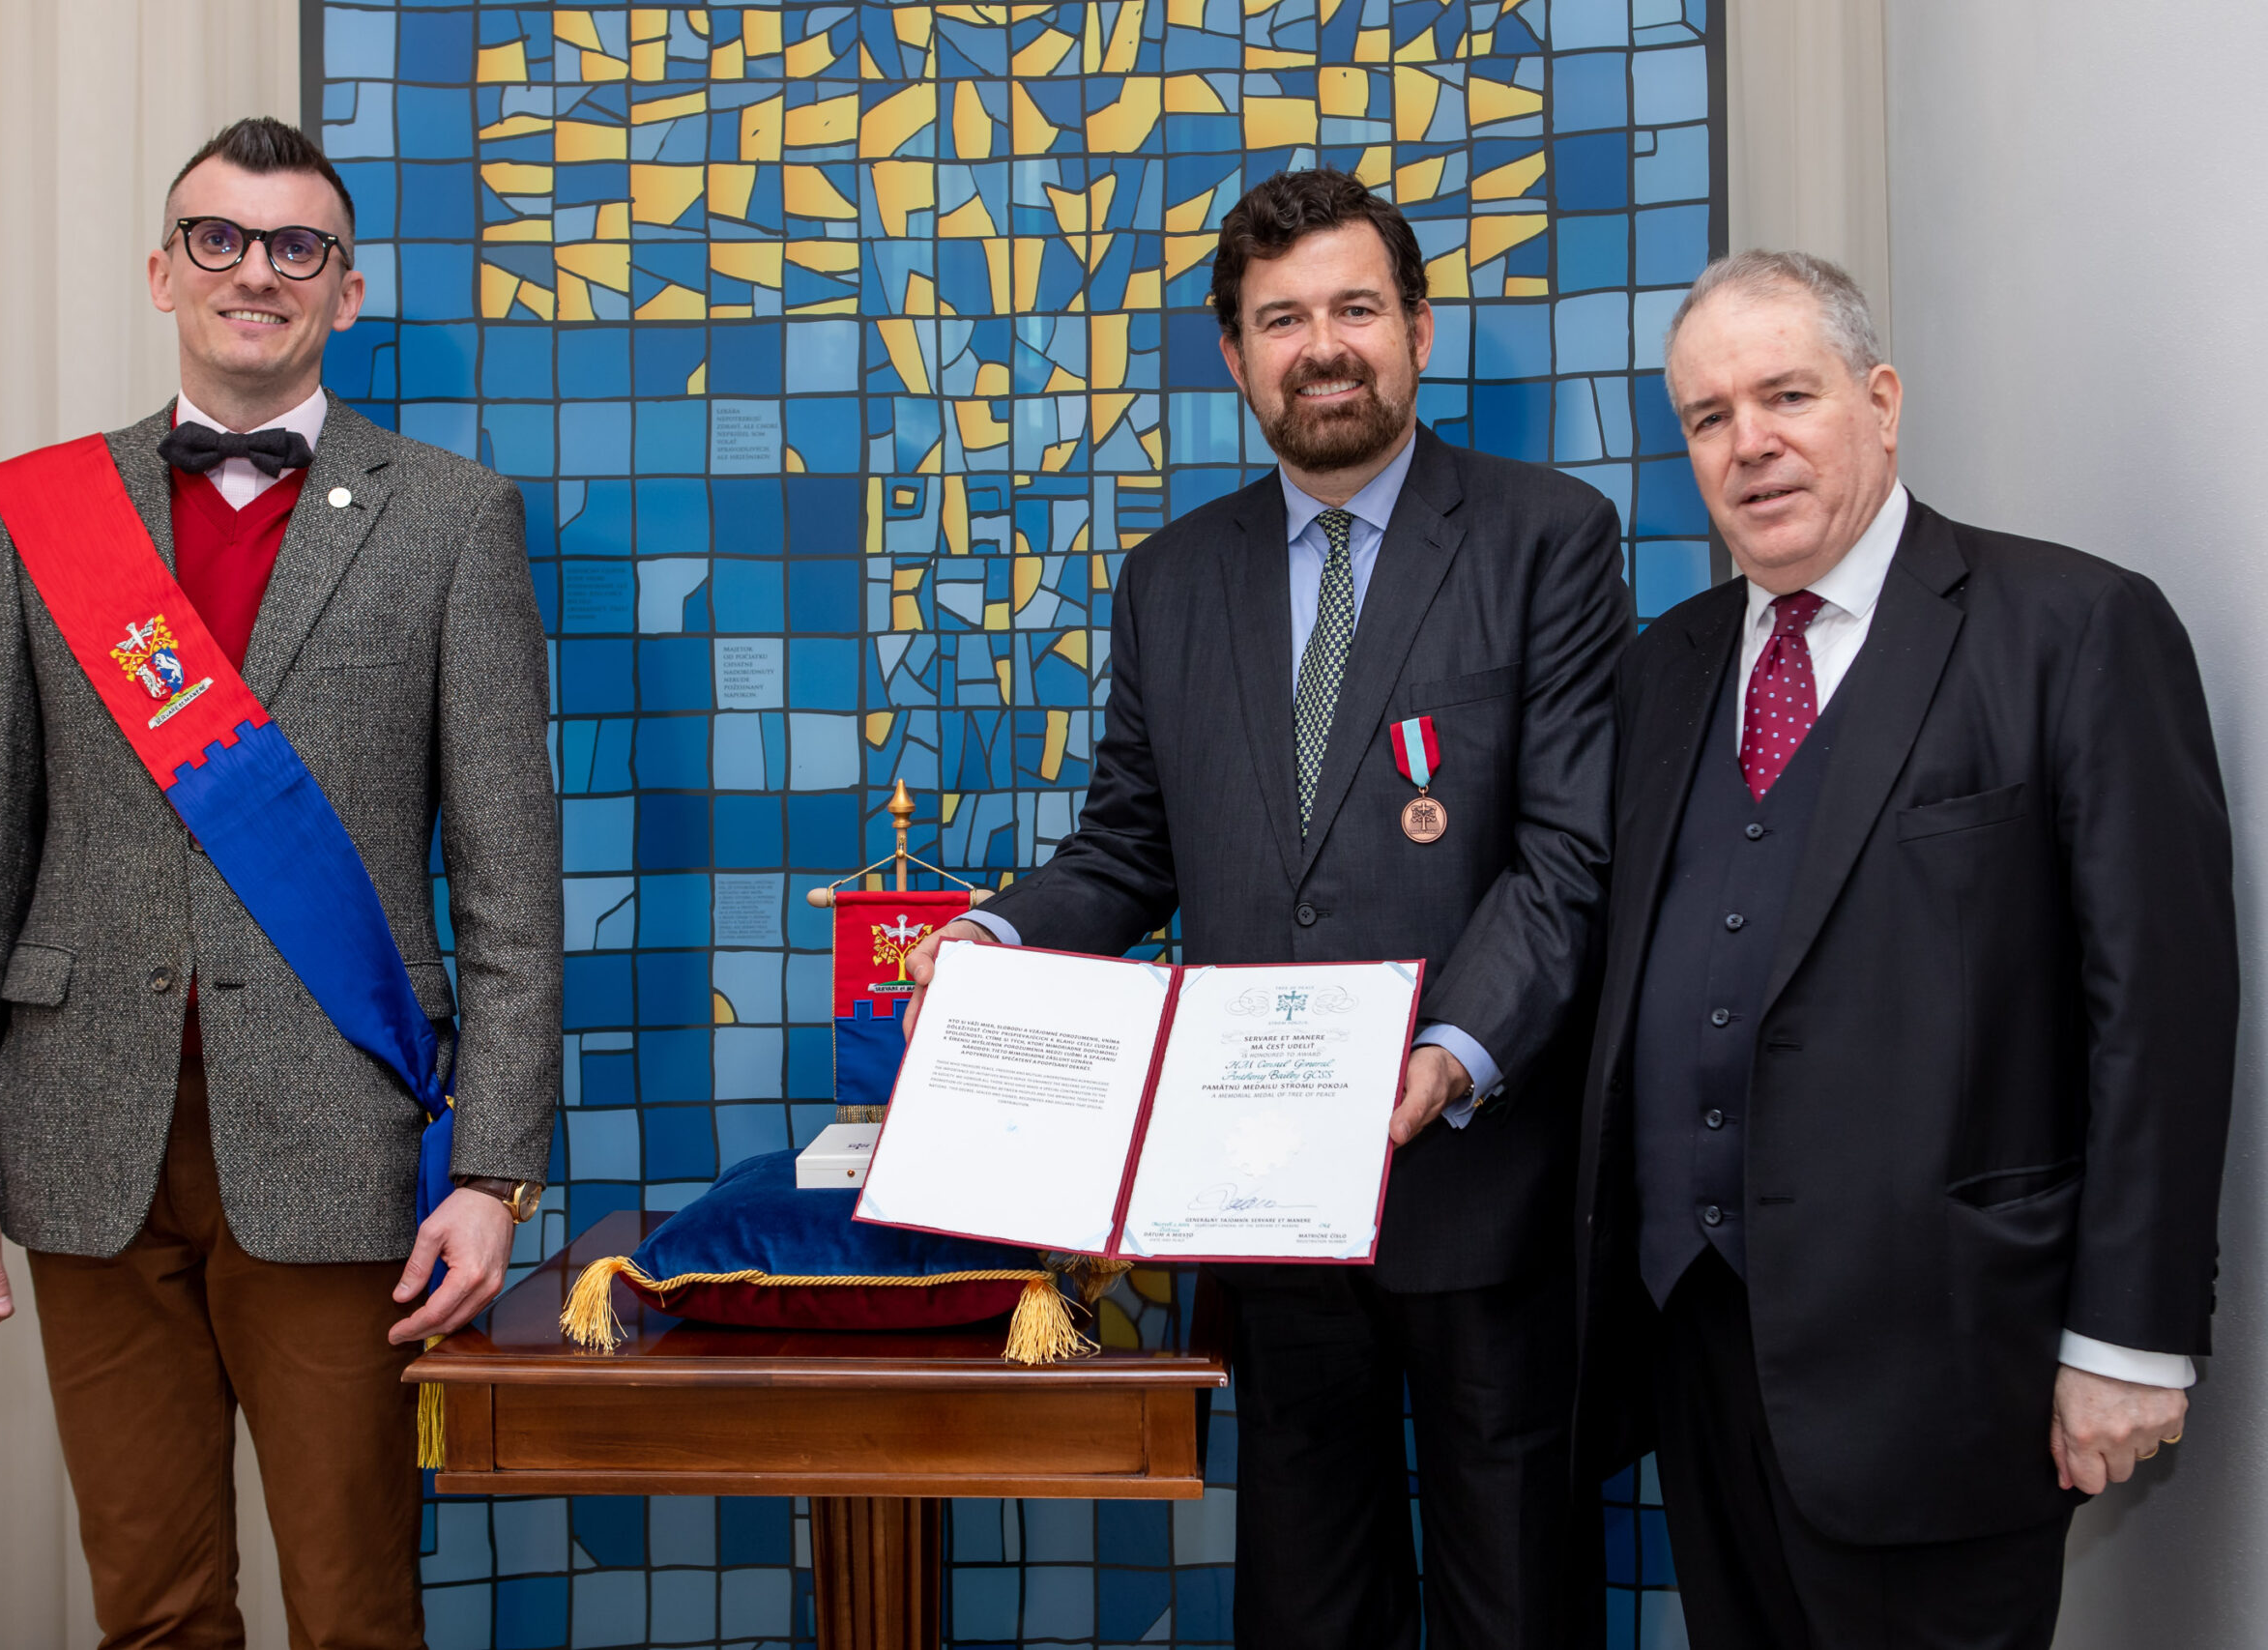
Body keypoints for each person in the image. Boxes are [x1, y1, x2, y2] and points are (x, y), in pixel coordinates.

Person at [907, 169, 1630, 1649]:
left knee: (1517, 1603)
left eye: (1357, 307)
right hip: (1261, 1201)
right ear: (1234, 358)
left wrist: (1450, 1053)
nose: (1324, 346)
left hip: (1483, 1185)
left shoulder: (1547, 537)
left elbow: (1570, 857)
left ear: (1420, 330)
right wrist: (989, 942)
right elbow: (1127, 848)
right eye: (1281, 318)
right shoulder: (1172, 579)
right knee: (1307, 1603)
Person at [0, 117, 561, 1647]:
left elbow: (514, 880)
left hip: (335, 1146)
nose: (254, 272)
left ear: (345, 290)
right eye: (219, 237)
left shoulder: (455, 518)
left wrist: (494, 1172)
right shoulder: (41, 515)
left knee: (354, 1607)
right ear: (160, 271)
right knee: (152, 1609)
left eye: (297, 247)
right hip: (81, 1139)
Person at [1573, 250, 2237, 1649]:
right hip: (1700, 1351)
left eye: (1787, 395)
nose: (1748, 443)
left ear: (1880, 402)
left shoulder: (2074, 629)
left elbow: (2158, 1013)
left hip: (1952, 1365)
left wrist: (2127, 1339)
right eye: (1707, 416)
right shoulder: (1668, 668)